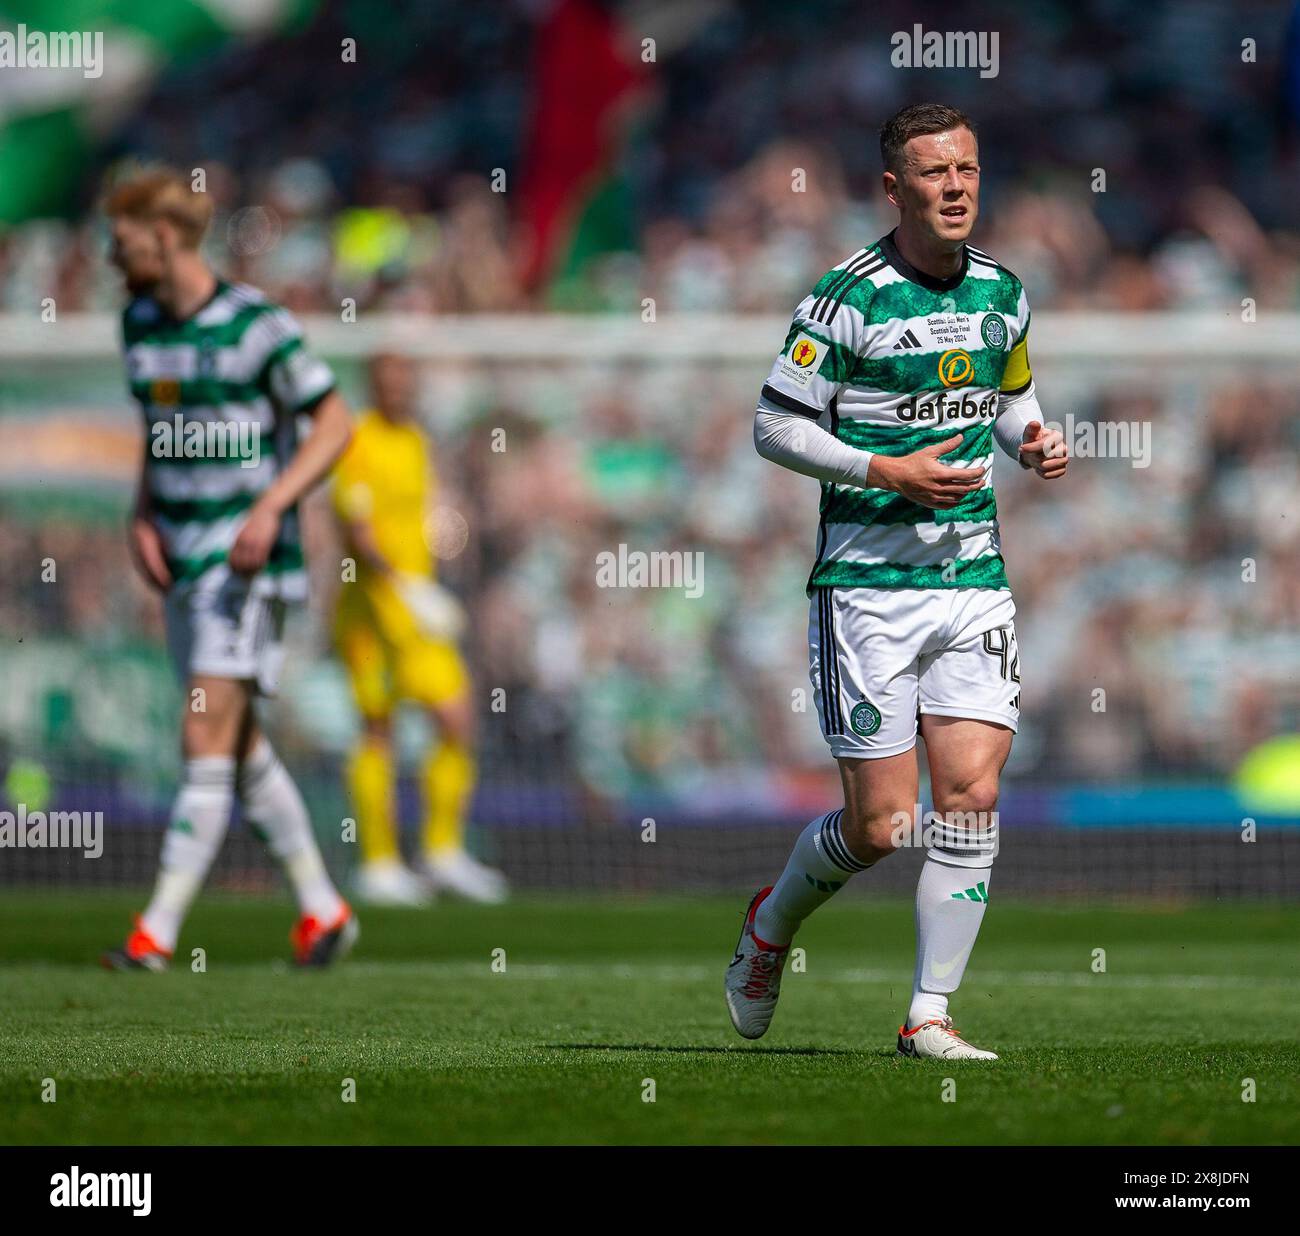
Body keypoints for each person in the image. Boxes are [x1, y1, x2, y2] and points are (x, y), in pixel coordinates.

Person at [726, 104, 1069, 1058]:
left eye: (965, 168)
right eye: (932, 173)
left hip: (972, 578)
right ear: (894, 188)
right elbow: (774, 427)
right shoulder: (845, 299)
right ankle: (769, 928)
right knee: (882, 826)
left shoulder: (1006, 292)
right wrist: (888, 471)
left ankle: (930, 1013)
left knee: (971, 795)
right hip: (868, 588)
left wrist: (1033, 441)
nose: (955, 187)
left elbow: (1011, 399)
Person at [100, 168, 358, 970]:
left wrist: (273, 505)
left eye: (125, 239)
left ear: (166, 236)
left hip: (246, 560)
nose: (114, 254)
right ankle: (323, 910)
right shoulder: (140, 323)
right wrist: (142, 513)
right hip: (180, 558)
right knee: (236, 746)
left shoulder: (257, 326)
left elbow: (335, 423)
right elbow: (158, 431)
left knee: (204, 733)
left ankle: (157, 932)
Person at [332, 352, 507, 906]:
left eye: (408, 381)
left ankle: (441, 850)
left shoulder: (415, 441)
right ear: (374, 385)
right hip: (372, 610)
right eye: (390, 381)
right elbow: (355, 530)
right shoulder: (357, 440)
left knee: (457, 718)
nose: (401, 391)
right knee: (378, 728)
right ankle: (379, 864)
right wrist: (403, 586)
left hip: (417, 607)